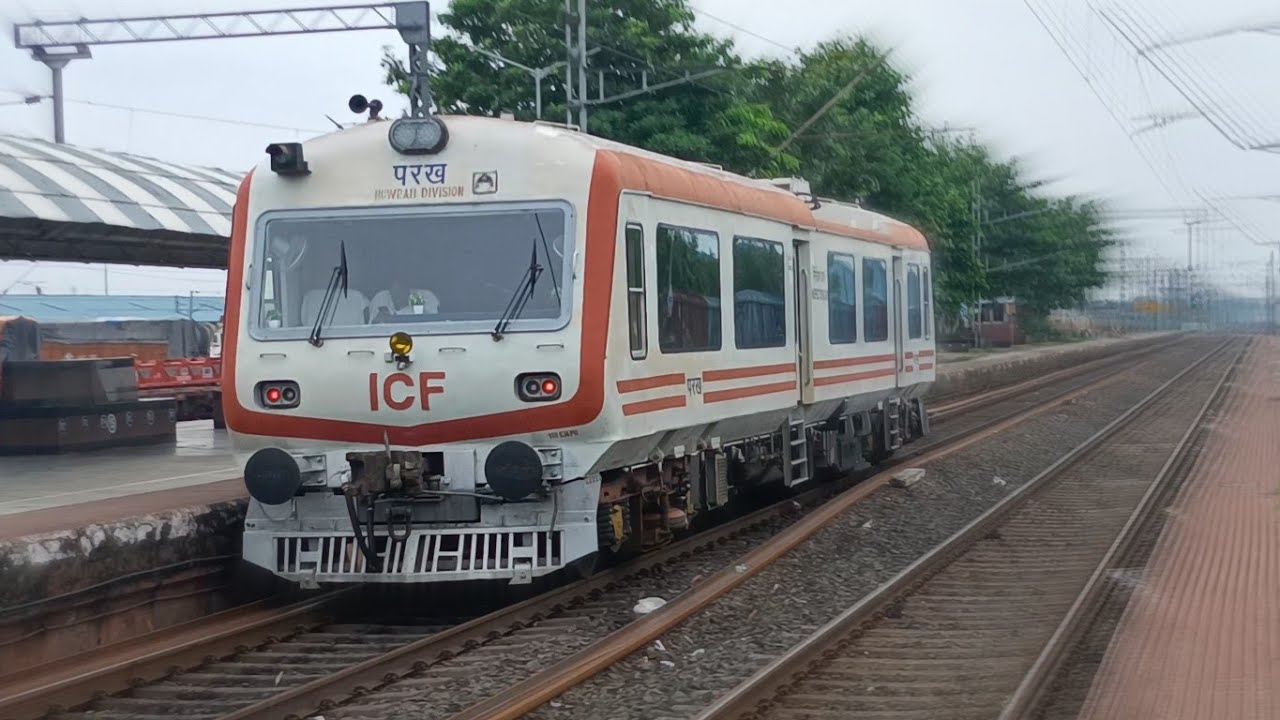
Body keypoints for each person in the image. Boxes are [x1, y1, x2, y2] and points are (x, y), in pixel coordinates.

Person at [369, 278, 438, 321]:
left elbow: (435, 323)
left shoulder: (425, 297)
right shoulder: (380, 298)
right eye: (394, 292)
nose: (397, 296)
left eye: (400, 292)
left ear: (408, 290)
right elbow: (371, 327)